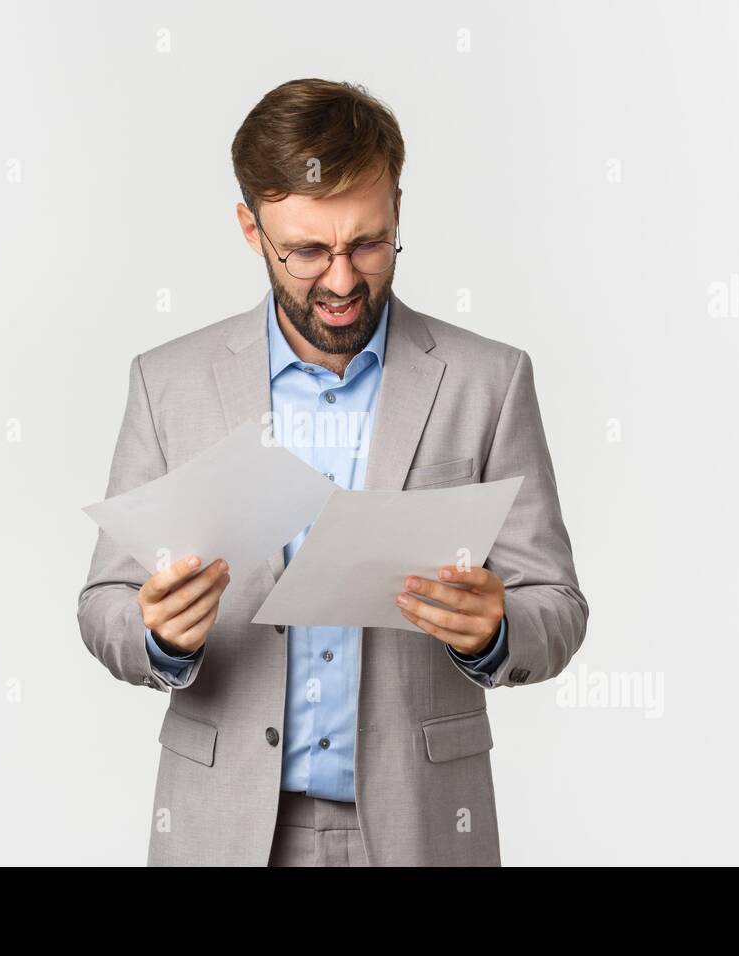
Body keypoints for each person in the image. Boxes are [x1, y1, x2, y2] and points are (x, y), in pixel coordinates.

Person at [78, 78, 588, 866]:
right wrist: (154, 634)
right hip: (225, 827)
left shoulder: (489, 380)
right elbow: (104, 604)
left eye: (369, 244)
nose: (344, 281)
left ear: (397, 213)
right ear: (252, 229)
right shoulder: (167, 383)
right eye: (309, 251)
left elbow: (556, 605)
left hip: (421, 827)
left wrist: (495, 632)